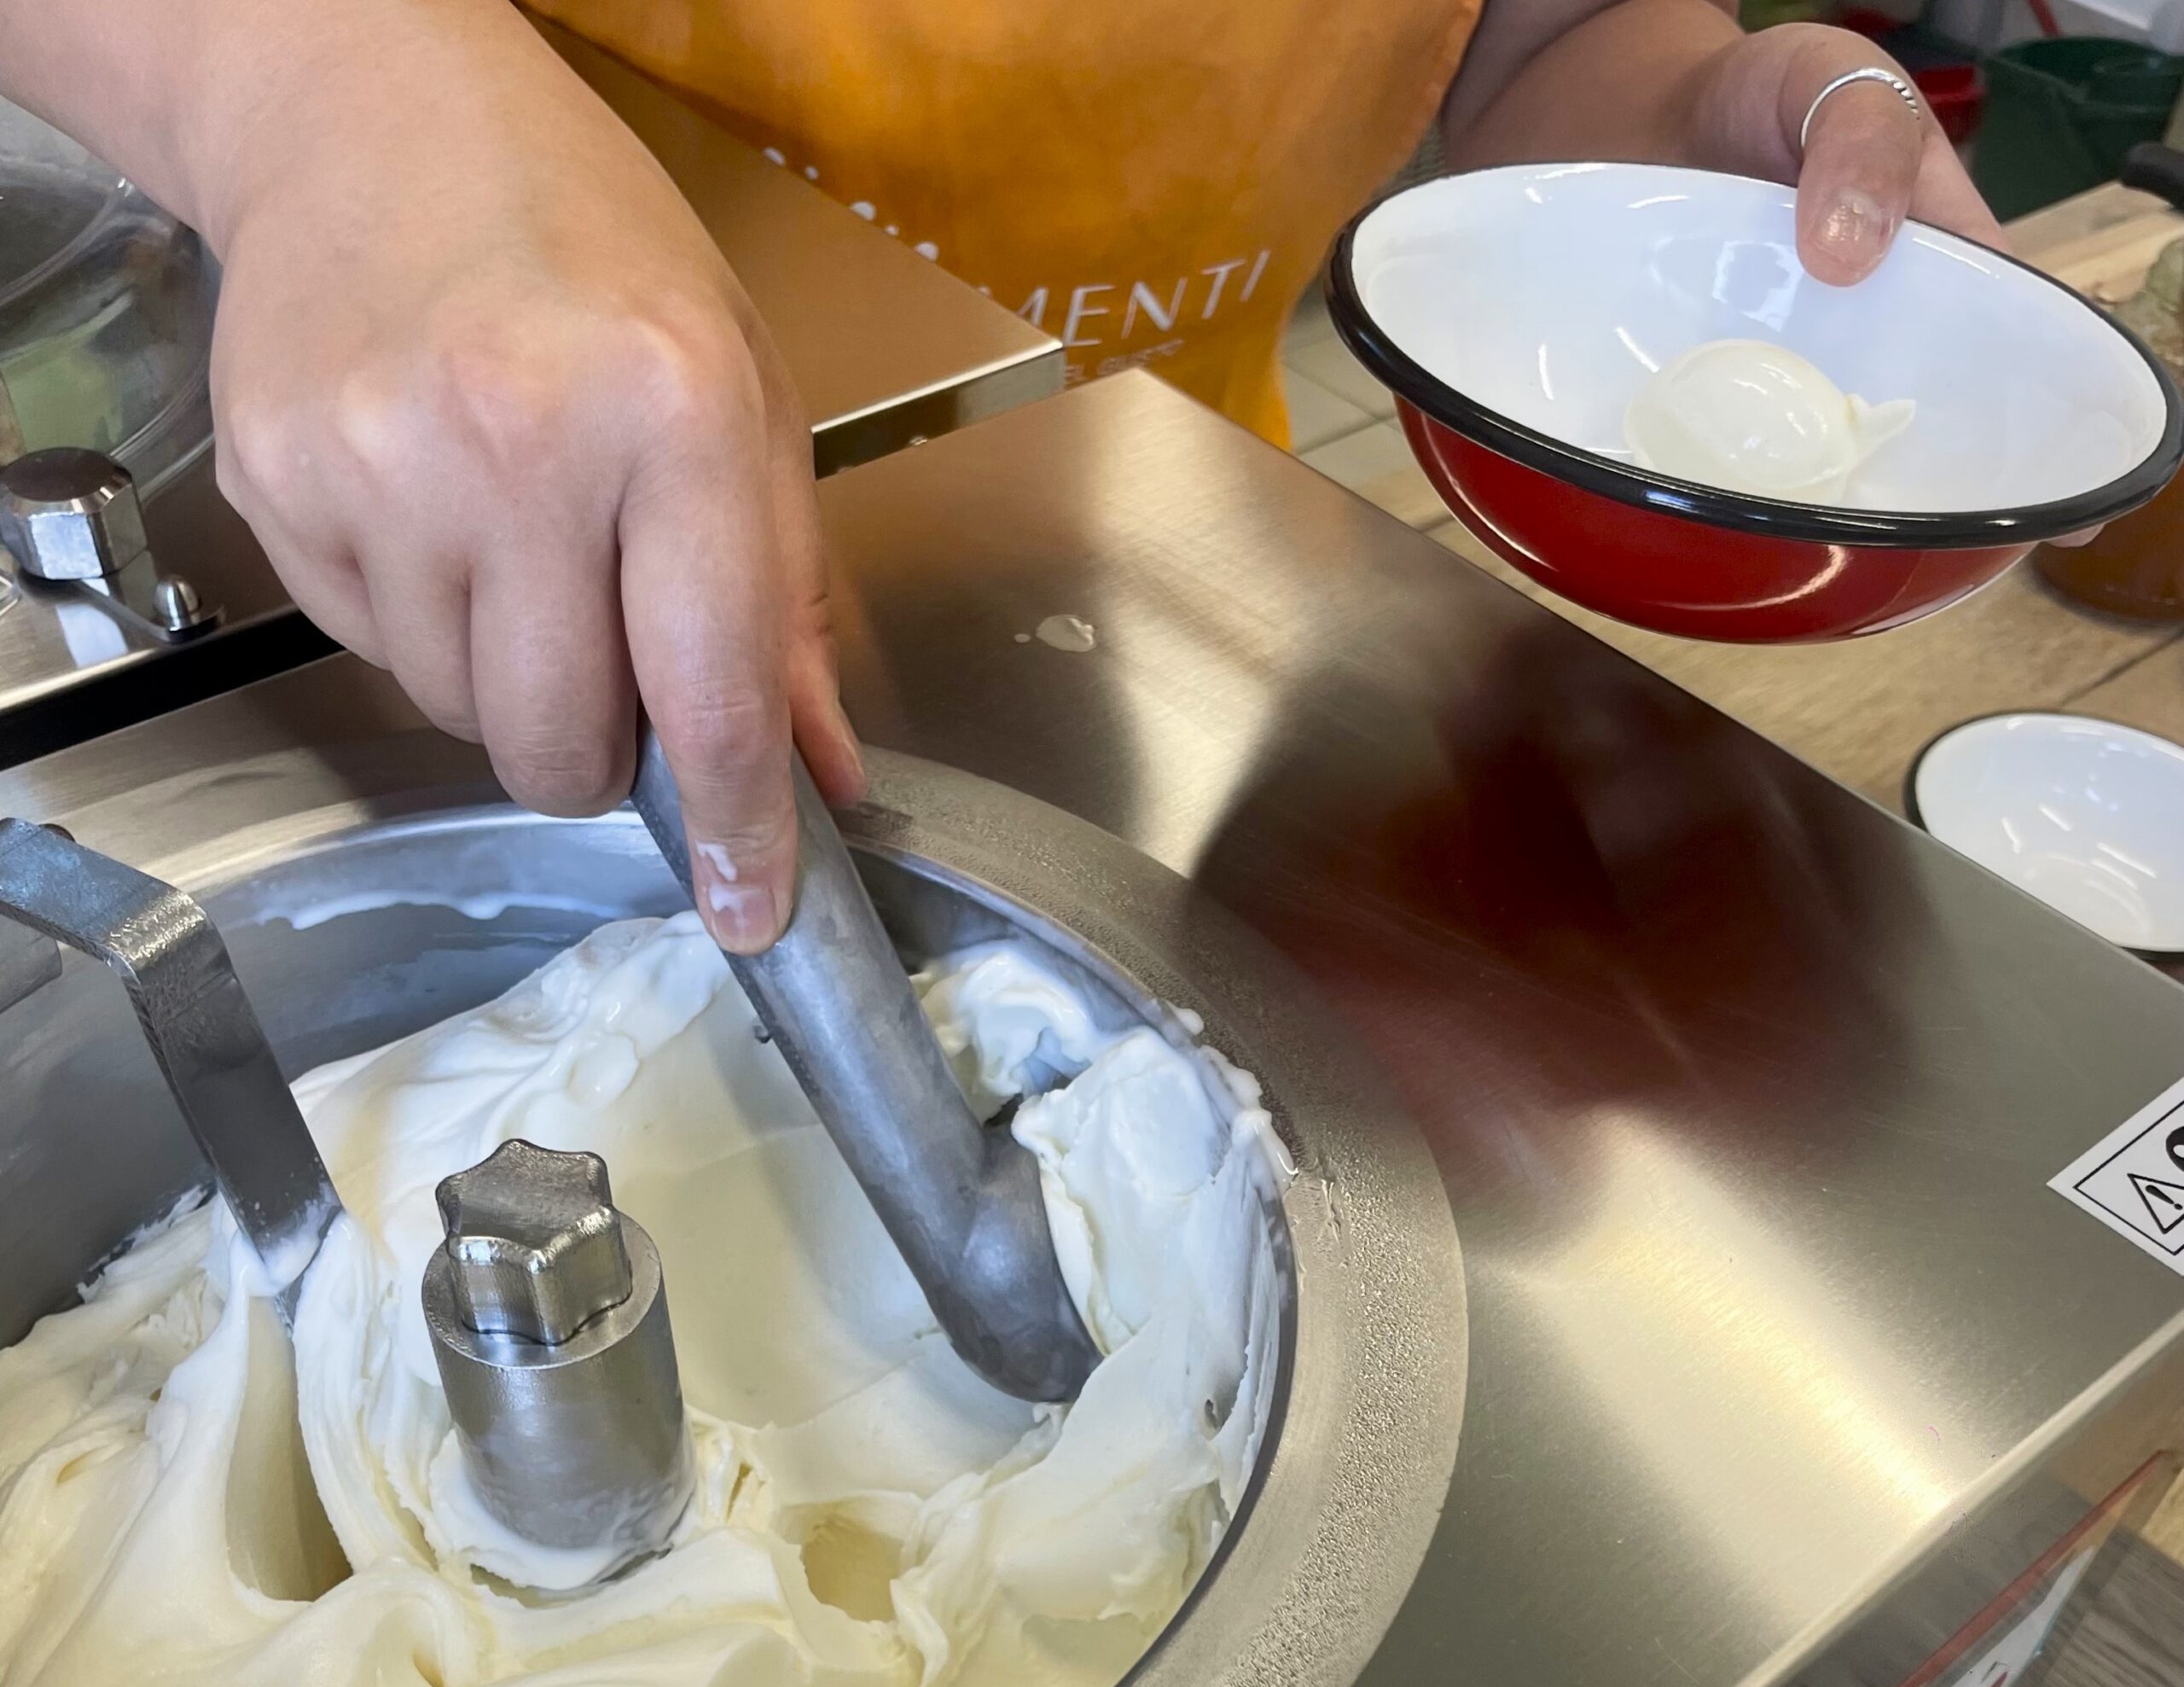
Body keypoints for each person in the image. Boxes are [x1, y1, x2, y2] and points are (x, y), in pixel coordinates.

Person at [0, 2, 1995, 951]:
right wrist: (319, 88)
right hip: (450, 605)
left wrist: (1657, 136)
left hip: (1167, 620)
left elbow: (1506, 38)